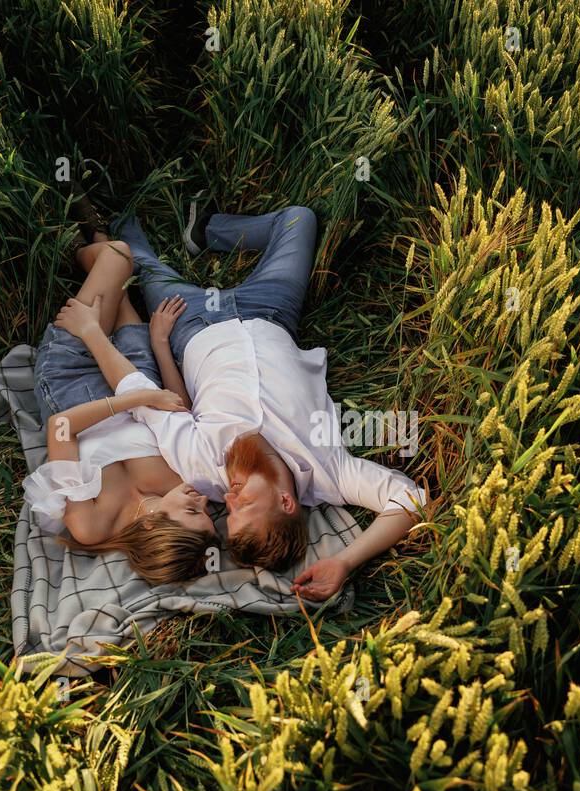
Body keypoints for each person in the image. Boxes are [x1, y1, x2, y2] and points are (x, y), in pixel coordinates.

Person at [114, 200, 426, 601]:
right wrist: (345, 562)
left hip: (190, 323)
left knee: (136, 257)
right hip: (271, 310)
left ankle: (111, 204)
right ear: (285, 500)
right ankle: (210, 229)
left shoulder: (203, 468)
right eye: (243, 505)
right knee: (300, 218)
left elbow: (146, 401)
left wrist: (152, 342)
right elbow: (411, 499)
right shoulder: (331, 469)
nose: (227, 498)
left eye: (229, 511)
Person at [24, 228, 218, 585]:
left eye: (194, 511)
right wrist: (159, 343)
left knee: (118, 255)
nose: (202, 500)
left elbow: (62, 428)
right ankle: (96, 234)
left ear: (155, 528)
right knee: (122, 289)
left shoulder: (91, 525)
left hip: (72, 382)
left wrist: (138, 398)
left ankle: (79, 247)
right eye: (206, 509)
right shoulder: (180, 480)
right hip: (135, 374)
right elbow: (179, 411)